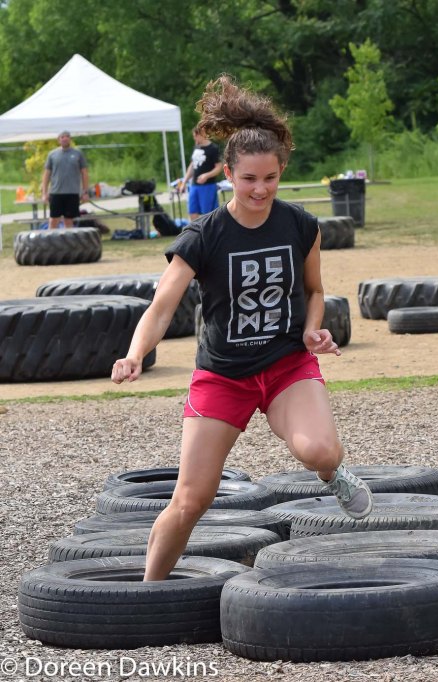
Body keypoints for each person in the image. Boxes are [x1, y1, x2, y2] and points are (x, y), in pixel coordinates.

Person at [110, 75, 373, 581]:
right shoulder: (203, 235)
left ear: (282, 172)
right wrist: (135, 353)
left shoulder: (300, 224)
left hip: (285, 366)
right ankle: (147, 593)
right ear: (227, 173)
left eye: (270, 178)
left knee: (320, 449)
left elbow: (314, 290)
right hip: (223, 377)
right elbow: (163, 304)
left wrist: (314, 330)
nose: (260, 190)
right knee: (190, 499)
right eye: (249, 179)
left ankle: (333, 474)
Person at [41, 130, 89, 229]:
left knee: (69, 220)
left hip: (72, 192)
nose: (65, 138)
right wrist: (44, 193)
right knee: (54, 219)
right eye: (62, 137)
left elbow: (84, 173)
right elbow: (46, 175)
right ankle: (51, 241)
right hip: (56, 192)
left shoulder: (78, 153)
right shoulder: (52, 154)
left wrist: (85, 192)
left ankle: (68, 242)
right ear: (59, 140)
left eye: (67, 136)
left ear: (70, 139)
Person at [178, 126, 223, 220]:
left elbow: (219, 167)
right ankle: (196, 234)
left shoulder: (213, 149)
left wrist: (206, 175)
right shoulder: (196, 147)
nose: (194, 138)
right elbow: (192, 165)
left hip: (208, 186)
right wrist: (184, 182)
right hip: (194, 185)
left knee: (209, 214)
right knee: (192, 212)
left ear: (202, 134)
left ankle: (211, 233)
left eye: (195, 136)